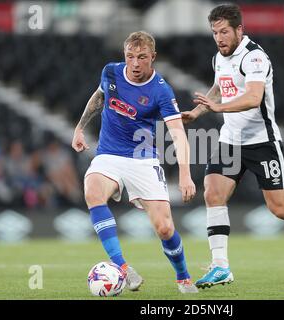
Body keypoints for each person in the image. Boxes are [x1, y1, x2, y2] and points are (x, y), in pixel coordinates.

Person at [182, 4, 284, 288]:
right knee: (213, 192)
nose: (219, 38)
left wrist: (218, 107)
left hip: (261, 143)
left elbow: (254, 97)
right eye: (214, 32)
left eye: (224, 32)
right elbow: (220, 85)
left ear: (239, 30)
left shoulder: (254, 57)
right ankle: (221, 266)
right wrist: (199, 112)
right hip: (230, 140)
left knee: (281, 209)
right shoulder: (219, 58)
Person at [72, 31, 198, 293]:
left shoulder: (161, 90)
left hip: (143, 159)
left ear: (153, 57)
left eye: (142, 57)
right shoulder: (111, 72)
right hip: (108, 154)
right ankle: (123, 268)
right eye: (130, 56)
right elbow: (99, 97)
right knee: (93, 192)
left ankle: (183, 276)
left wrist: (185, 174)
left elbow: (178, 134)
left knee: (164, 228)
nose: (136, 63)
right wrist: (80, 128)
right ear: (124, 56)